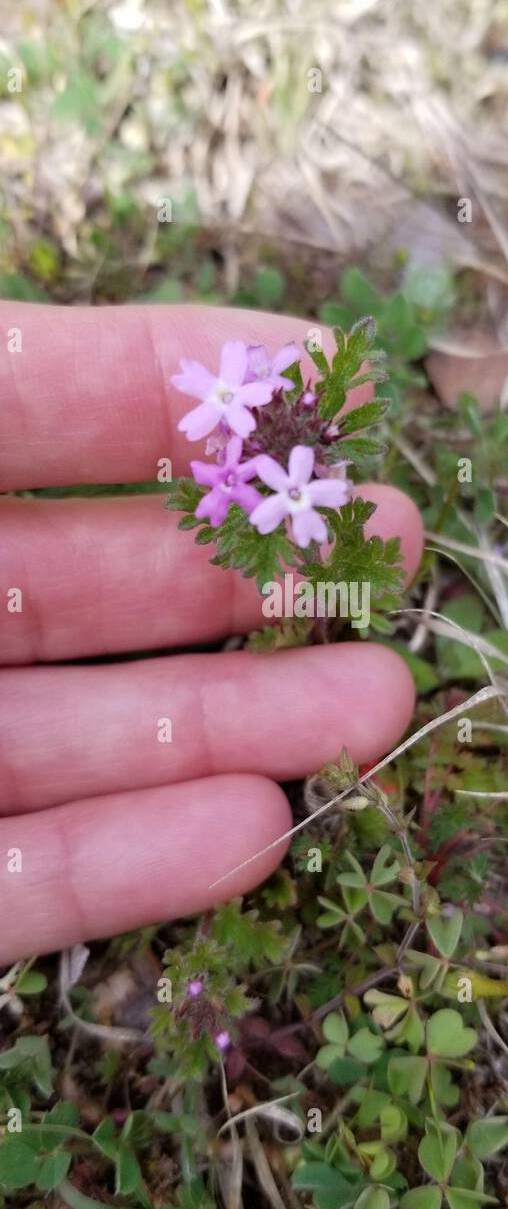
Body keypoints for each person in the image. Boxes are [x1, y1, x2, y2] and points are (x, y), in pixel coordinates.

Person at [0, 303, 423, 965]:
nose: (233, 388)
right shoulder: (233, 451)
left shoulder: (279, 427)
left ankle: (329, 634)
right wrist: (233, 482)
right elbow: (227, 481)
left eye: (245, 385)